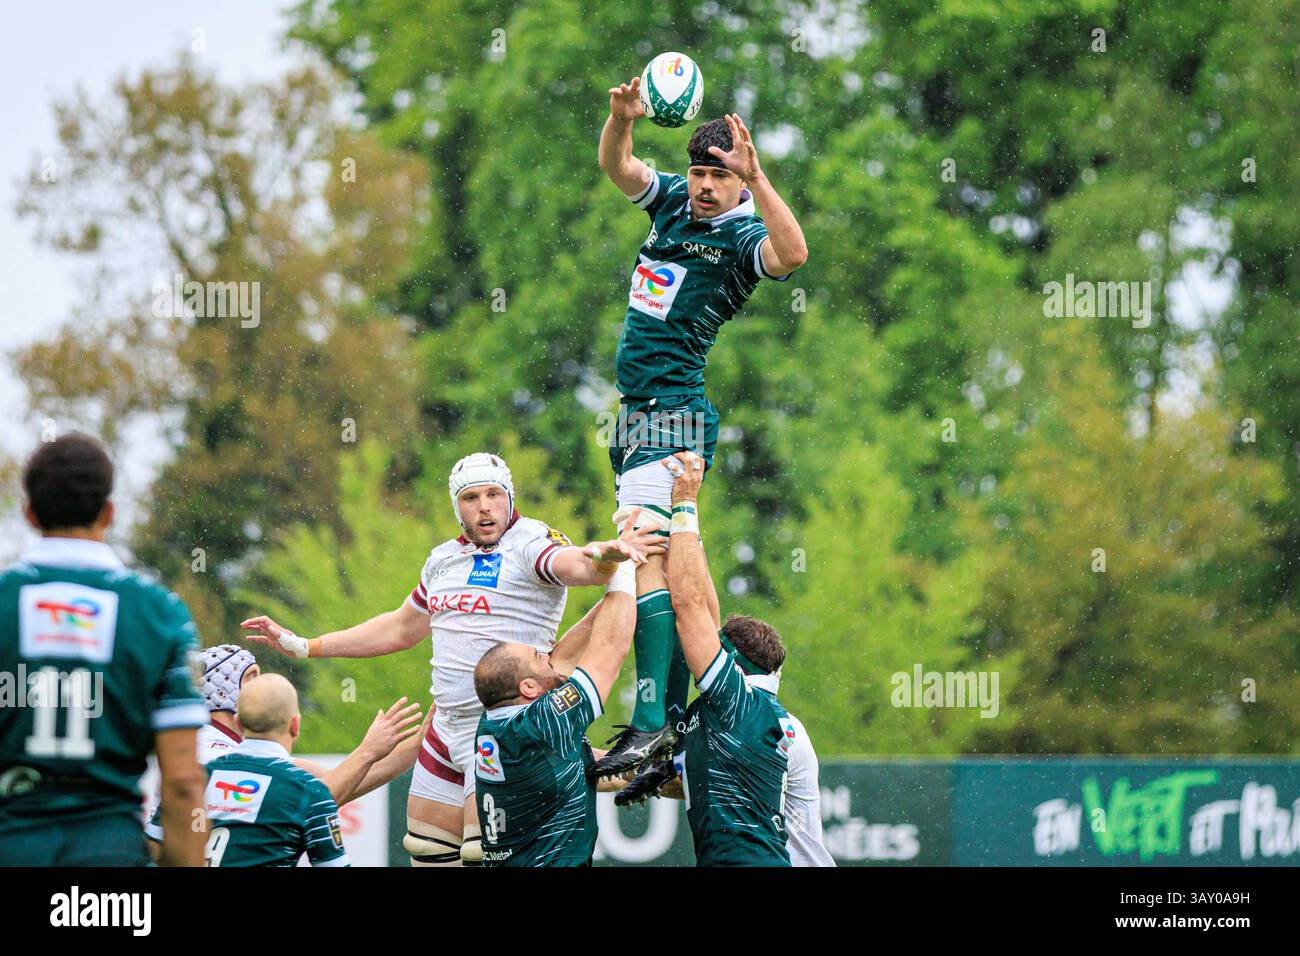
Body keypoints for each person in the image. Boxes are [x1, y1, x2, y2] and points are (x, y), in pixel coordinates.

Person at [239, 452, 660, 866]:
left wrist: (606, 556)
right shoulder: (441, 559)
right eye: (470, 498)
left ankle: (664, 767)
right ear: (457, 506)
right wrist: (309, 646)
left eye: (494, 494)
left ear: (510, 497)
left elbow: (581, 567)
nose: (484, 507)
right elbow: (401, 628)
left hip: (503, 732)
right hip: (444, 731)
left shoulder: (530, 541)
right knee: (426, 851)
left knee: (486, 855)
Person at [591, 78, 809, 783]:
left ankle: (653, 727)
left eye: (719, 175)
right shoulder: (673, 203)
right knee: (653, 561)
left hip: (675, 408)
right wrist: (621, 121)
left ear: (737, 178)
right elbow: (618, 168)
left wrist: (758, 175)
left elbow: (794, 254)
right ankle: (664, 736)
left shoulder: (745, 234)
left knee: (645, 553)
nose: (706, 186)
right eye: (699, 172)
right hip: (636, 413)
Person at [0, 433, 207, 866]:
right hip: (108, 857)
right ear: (108, 512)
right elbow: (184, 781)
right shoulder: (158, 613)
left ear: (30, 513)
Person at [472, 529, 651, 866]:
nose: (546, 655)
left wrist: (620, 575)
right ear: (527, 688)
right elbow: (609, 649)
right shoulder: (544, 722)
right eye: (537, 656)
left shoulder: (493, 725)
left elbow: (562, 661)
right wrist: (624, 570)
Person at [143, 643, 423, 851]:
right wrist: (367, 752)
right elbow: (322, 797)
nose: (263, 684)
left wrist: (424, 740)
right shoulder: (209, 750)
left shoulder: (240, 748)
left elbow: (341, 780)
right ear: (221, 690)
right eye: (252, 676)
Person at [655, 451, 794, 865]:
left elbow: (691, 605)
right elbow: (705, 608)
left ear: (731, 664)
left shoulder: (737, 703)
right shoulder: (747, 705)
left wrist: (684, 501)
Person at [199, 674, 364, 867]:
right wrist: (369, 752)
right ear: (295, 725)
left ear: (239, 723)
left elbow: (158, 849)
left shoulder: (196, 778)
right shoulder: (310, 792)